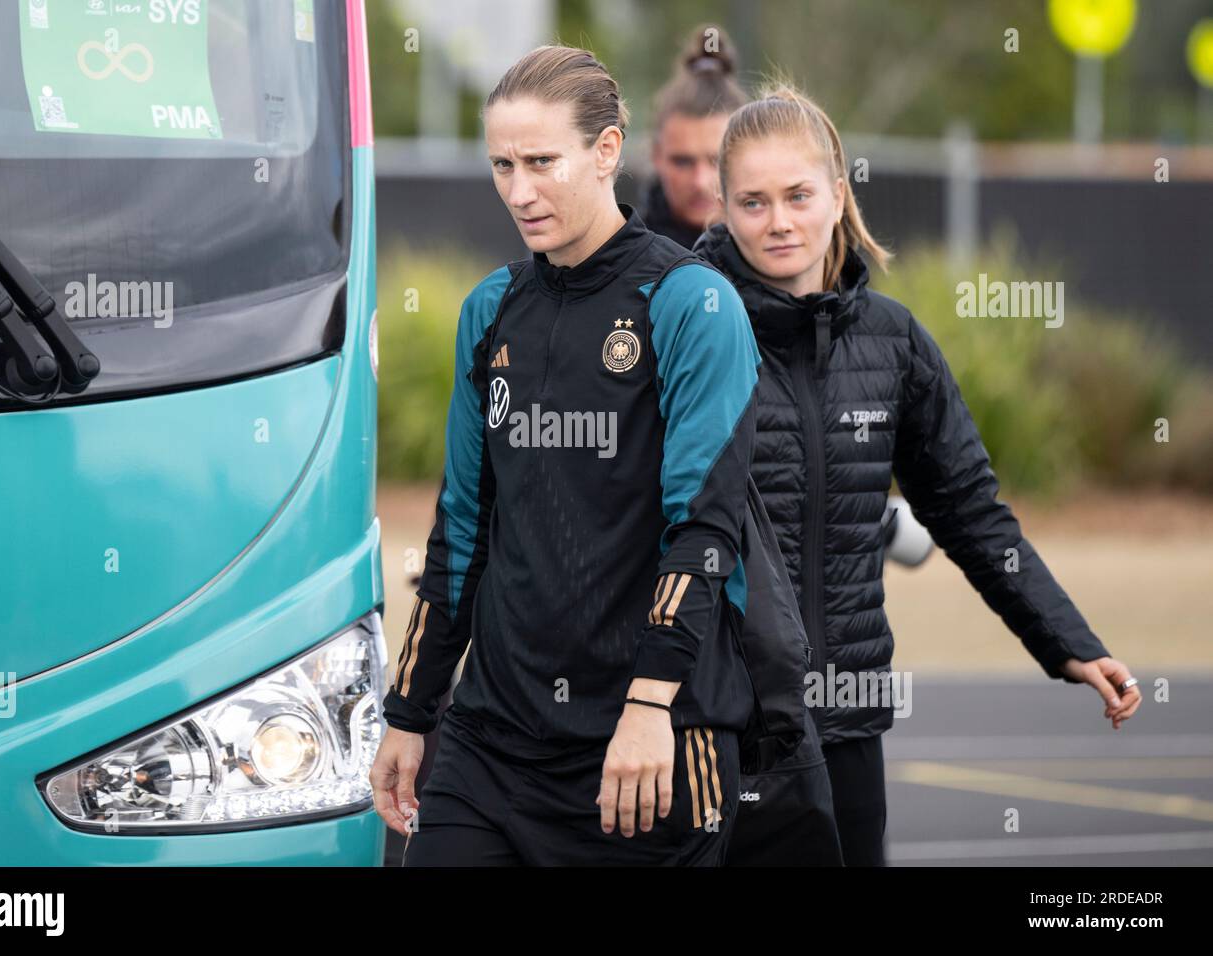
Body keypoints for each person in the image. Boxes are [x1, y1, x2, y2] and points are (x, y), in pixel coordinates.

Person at [694, 81, 1143, 866]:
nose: (780, 222)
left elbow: (970, 511)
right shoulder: (687, 329)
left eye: (799, 195)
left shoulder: (895, 344)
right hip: (709, 724)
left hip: (846, 725)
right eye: (754, 202)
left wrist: (1067, 639)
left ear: (838, 193)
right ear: (725, 208)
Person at [369, 45, 768, 866]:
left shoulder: (694, 303)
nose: (520, 190)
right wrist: (410, 711)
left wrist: (650, 705)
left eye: (542, 162)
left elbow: (703, 529)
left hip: (647, 741)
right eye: (502, 166)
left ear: (608, 152)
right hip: (489, 743)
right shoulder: (491, 309)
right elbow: (461, 530)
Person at [639, 24, 748, 251]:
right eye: (682, 161)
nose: (700, 181)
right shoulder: (627, 255)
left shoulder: (783, 250)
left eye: (717, 161)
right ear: (656, 156)